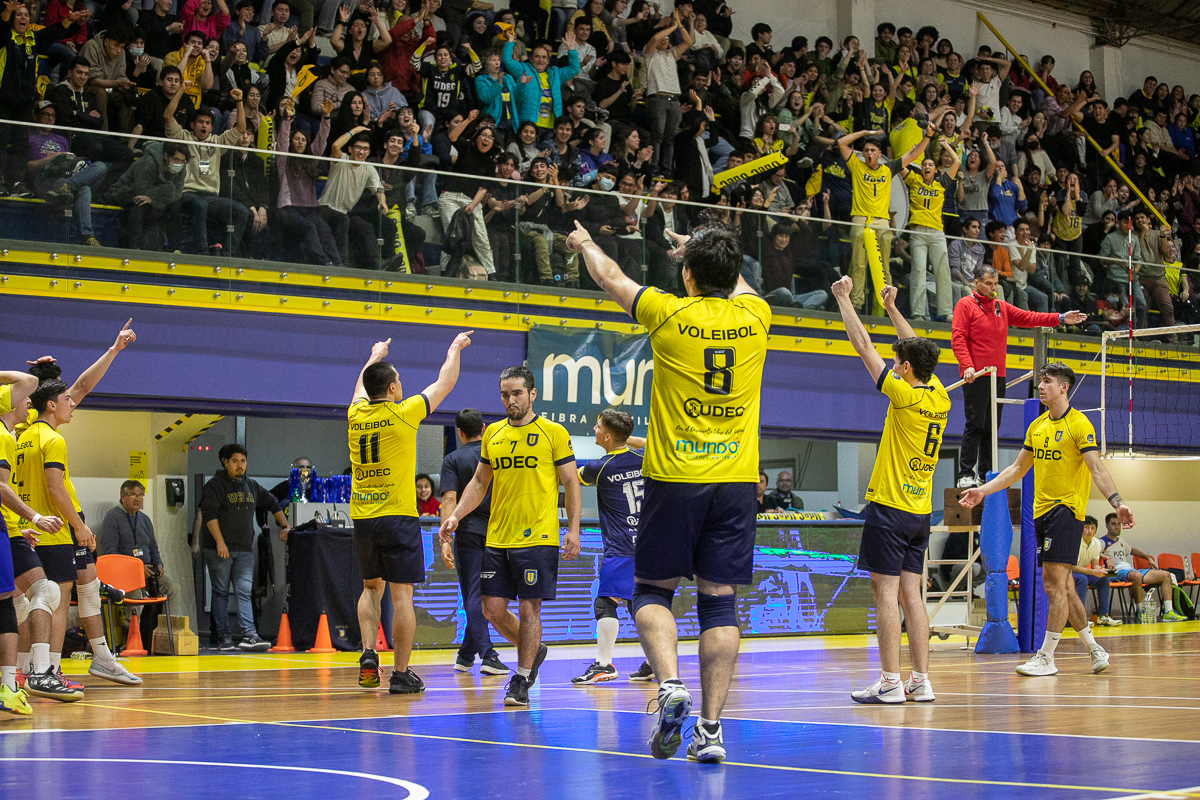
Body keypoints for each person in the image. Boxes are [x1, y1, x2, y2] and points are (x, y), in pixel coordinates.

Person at [566, 220, 770, 764]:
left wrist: (585, 243)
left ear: (687, 276)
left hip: (675, 480)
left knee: (651, 592)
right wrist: (701, 251)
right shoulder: (757, 316)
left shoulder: (669, 312)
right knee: (720, 606)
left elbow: (610, 275)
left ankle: (670, 684)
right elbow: (739, 283)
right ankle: (710, 730)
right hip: (734, 484)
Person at [960, 363, 1133, 676]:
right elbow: (1016, 470)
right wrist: (982, 491)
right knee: (1064, 586)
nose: (1040, 386)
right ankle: (1095, 650)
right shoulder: (1037, 427)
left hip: (1065, 513)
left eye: (1047, 381)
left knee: (1052, 585)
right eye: (1039, 381)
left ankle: (1046, 657)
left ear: (1064, 387)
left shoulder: (1080, 425)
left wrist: (1117, 502)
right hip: (1041, 514)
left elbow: (1097, 469)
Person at [438, 366, 581, 708]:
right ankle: (533, 649)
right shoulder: (494, 434)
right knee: (491, 609)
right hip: (497, 538)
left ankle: (521, 677)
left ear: (532, 394)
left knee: (530, 608)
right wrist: (456, 515)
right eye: (504, 394)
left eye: (517, 393)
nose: (510, 400)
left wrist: (573, 528)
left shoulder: (553, 432)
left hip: (538, 537)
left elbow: (571, 482)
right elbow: (478, 483)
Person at [833, 279, 946, 703]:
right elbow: (914, 347)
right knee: (911, 595)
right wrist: (893, 308)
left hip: (890, 510)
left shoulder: (902, 395)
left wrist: (845, 298)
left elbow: (864, 345)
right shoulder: (937, 395)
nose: (894, 363)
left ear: (904, 369)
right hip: (919, 514)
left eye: (898, 361)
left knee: (884, 594)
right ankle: (921, 680)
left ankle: (889, 681)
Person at [349, 332, 473, 693]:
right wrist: (453, 349)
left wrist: (374, 353)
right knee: (402, 595)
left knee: (371, 587)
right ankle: (401, 673)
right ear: (390, 388)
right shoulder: (404, 414)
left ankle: (369, 652)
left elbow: (362, 382)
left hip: (363, 516)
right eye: (398, 380)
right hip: (398, 516)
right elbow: (446, 381)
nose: (402, 385)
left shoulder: (355, 414)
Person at [950, 267, 1086, 488]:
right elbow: (958, 338)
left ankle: (985, 474)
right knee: (975, 424)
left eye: (995, 284)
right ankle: (965, 473)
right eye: (988, 284)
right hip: (977, 375)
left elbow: (1029, 317)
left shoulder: (1000, 307)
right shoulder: (965, 305)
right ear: (976, 283)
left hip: (998, 374)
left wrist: (1060, 317)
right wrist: (967, 366)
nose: (993, 288)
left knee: (992, 426)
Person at [571, 409, 651, 685]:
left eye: (598, 426)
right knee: (637, 604)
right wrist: (627, 439)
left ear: (606, 435)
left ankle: (604, 664)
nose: (593, 428)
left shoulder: (599, 466)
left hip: (621, 548)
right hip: (647, 544)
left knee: (605, 602)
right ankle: (654, 662)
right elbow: (651, 442)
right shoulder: (643, 457)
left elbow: (568, 479)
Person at [200, 443, 290, 651]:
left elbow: (273, 502)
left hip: (244, 549)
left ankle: (249, 634)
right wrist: (220, 542)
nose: (240, 466)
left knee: (243, 591)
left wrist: (284, 525)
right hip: (218, 550)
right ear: (225, 462)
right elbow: (209, 516)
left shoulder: (252, 485)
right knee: (221, 592)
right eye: (235, 461)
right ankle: (223, 637)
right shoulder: (214, 485)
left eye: (243, 461)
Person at [439, 408, 508, 676]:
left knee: (474, 593)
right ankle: (481, 654)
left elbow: (449, 500)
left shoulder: (453, 459)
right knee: (481, 594)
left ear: (459, 432)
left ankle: (473, 653)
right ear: (483, 428)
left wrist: (445, 537)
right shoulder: (496, 456)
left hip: (467, 531)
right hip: (497, 532)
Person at [838, 124, 935, 311]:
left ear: (879, 153)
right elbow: (841, 142)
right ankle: (856, 305)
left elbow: (913, 156)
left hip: (882, 222)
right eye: (866, 150)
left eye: (872, 150)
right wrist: (866, 133)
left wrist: (928, 136)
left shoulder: (888, 168)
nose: (868, 153)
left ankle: (884, 306)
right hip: (861, 218)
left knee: (884, 269)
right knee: (858, 265)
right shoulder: (856, 165)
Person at [0, 369, 51, 714]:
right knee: (9, 601)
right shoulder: (2, 433)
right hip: (3, 526)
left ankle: (14, 678)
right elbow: (1, 488)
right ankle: (22, 677)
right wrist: (34, 516)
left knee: (14, 600)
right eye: (23, 398)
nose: (28, 400)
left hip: (10, 527)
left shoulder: (14, 434)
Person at [164, 83, 248, 256]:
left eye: (208, 123)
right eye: (201, 122)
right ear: (193, 124)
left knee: (241, 211)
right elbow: (168, 116)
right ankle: (203, 254)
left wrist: (239, 102)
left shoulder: (217, 142)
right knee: (200, 204)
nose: (204, 126)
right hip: (187, 194)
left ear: (211, 127)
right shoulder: (183, 137)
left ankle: (227, 256)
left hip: (211, 197)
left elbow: (240, 128)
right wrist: (181, 90)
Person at [97, 480, 182, 624]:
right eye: (132, 494)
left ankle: (169, 633)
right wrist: (136, 569)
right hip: (123, 575)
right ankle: (131, 635)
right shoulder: (112, 518)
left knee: (173, 588)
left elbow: (153, 548)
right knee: (136, 592)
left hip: (147, 572)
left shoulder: (145, 520)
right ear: (123, 497)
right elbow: (110, 554)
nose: (137, 498)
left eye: (140, 495)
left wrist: (158, 564)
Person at [903, 149, 959, 320]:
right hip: (918, 231)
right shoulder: (914, 179)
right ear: (921, 168)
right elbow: (900, 164)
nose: (927, 167)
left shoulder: (941, 183)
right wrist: (914, 151)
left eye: (930, 165)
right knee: (919, 271)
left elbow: (956, 162)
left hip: (936, 232)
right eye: (924, 164)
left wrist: (945, 146)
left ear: (936, 170)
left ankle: (946, 311)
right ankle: (918, 312)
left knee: (943, 271)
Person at [1099, 514, 1186, 622]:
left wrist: (1147, 558)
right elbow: (1093, 553)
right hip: (1113, 572)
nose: (1117, 527)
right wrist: (1106, 558)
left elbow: (1132, 550)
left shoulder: (1121, 541)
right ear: (1107, 525)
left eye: (1119, 524)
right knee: (1136, 576)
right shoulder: (1101, 542)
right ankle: (1140, 612)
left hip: (1129, 570)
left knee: (1165, 575)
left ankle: (1168, 612)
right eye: (1113, 524)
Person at [1072, 515, 1121, 627]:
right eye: (1086, 527)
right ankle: (1081, 618)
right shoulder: (1075, 541)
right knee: (1082, 579)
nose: (1089, 531)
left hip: (1083, 572)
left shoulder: (1096, 543)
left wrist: (1102, 570)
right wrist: (1092, 572)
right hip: (1069, 573)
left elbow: (1094, 565)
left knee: (1103, 579)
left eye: (1092, 528)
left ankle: (1103, 616)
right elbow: (1072, 567)